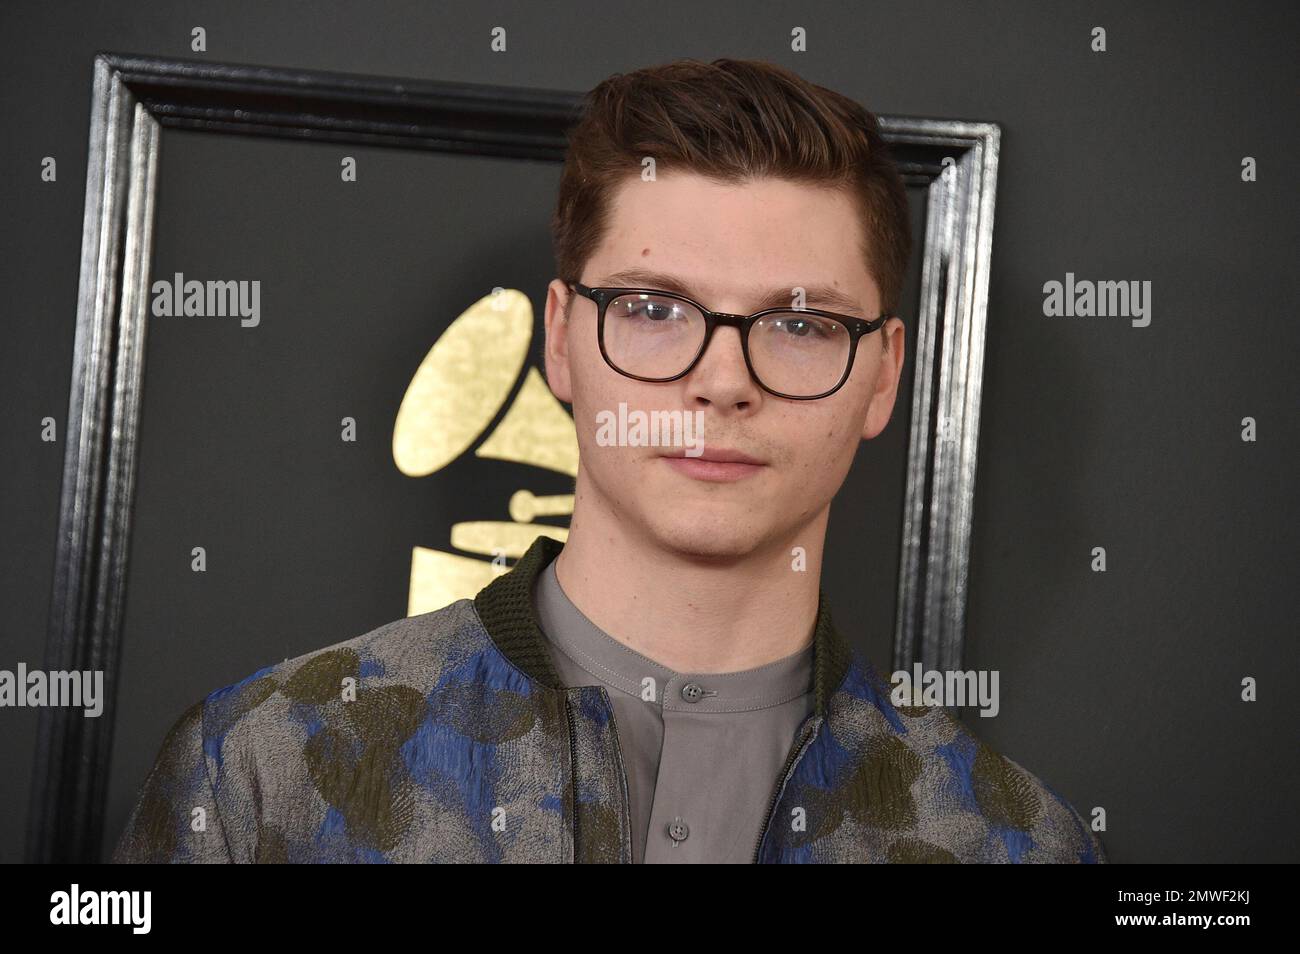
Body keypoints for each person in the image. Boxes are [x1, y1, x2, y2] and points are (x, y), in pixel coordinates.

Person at [112, 57, 1105, 864]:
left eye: (800, 323)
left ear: (882, 375)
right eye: (654, 309)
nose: (722, 381)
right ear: (561, 340)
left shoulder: (1011, 844)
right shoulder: (261, 767)